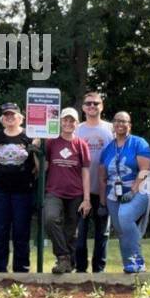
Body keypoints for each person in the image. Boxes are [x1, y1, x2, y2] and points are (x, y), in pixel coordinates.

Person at [0, 102, 38, 273]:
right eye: (6, 115)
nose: (10, 118)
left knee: (21, 231)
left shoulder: (29, 137)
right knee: (0, 230)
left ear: (20, 117)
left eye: (13, 115)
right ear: (2, 118)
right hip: (0, 190)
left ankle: (21, 270)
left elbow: (38, 166)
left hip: (22, 191)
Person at [98, 112, 150, 274]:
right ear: (113, 125)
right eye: (116, 121)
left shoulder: (138, 143)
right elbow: (102, 178)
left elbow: (145, 170)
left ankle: (137, 260)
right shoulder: (108, 148)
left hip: (139, 189)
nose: (119, 124)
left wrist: (134, 190)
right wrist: (102, 203)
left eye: (123, 121)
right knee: (121, 229)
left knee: (125, 216)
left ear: (130, 124)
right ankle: (129, 265)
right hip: (114, 192)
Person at [42, 107, 92, 274]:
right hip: (54, 191)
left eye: (72, 121)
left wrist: (86, 199)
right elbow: (44, 167)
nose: (68, 123)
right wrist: (36, 152)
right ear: (60, 122)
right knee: (50, 218)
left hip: (76, 194)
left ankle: (67, 265)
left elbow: (85, 172)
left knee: (71, 231)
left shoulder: (81, 144)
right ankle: (63, 256)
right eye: (65, 120)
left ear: (77, 124)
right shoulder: (51, 142)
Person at [74, 89, 112, 274]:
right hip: (81, 192)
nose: (92, 106)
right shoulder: (76, 129)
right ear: (83, 108)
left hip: (105, 190)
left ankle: (99, 272)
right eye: (88, 103)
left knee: (102, 234)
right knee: (79, 234)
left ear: (101, 106)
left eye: (95, 103)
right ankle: (80, 271)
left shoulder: (111, 129)